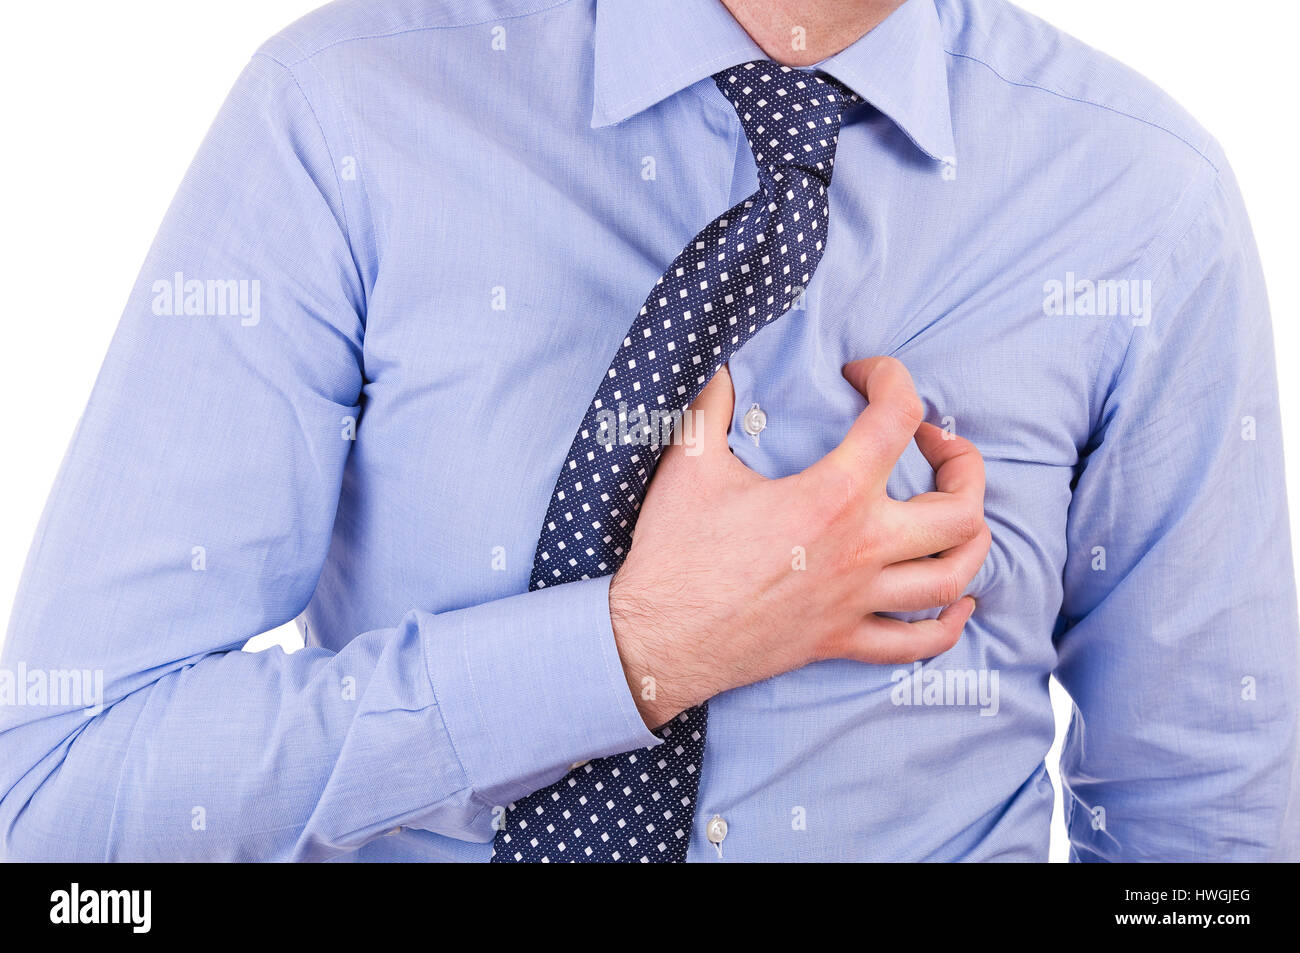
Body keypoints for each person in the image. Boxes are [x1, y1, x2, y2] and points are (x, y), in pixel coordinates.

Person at [1, 0, 1295, 862]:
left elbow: (1210, 833)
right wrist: (632, 651)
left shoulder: (1142, 203)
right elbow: (57, 797)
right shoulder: (347, 111)